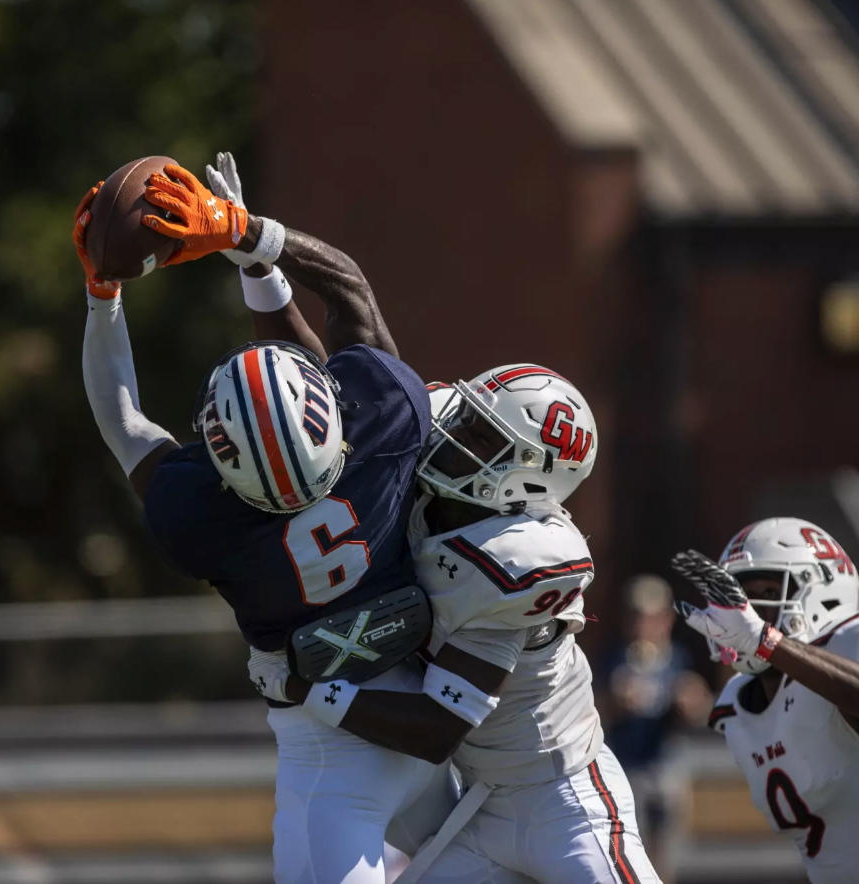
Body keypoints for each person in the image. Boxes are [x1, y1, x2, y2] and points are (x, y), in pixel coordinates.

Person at [73, 157, 454, 883]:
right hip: (431, 698)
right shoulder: (384, 422)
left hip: (326, 739)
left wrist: (102, 294)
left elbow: (122, 418)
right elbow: (347, 285)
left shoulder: (204, 519)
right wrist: (245, 238)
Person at [250, 362, 662, 883]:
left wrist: (301, 688)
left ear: (526, 479)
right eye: (468, 416)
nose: (454, 433)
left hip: (567, 802)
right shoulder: (434, 499)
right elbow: (362, 368)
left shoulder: (517, 562)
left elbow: (436, 729)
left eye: (481, 435)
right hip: (480, 809)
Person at [672, 519, 859, 884]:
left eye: (768, 591)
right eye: (739, 596)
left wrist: (767, 641)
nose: (748, 610)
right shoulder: (737, 704)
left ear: (821, 593)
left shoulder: (853, 644)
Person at [599, 575, 711, 881]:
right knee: (627, 851)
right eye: (636, 617)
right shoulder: (613, 657)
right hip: (625, 769)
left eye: (651, 617)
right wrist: (615, 702)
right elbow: (594, 709)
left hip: (666, 767)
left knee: (666, 851)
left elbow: (698, 710)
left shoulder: (678, 658)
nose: (643, 626)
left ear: (666, 620)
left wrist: (690, 702)